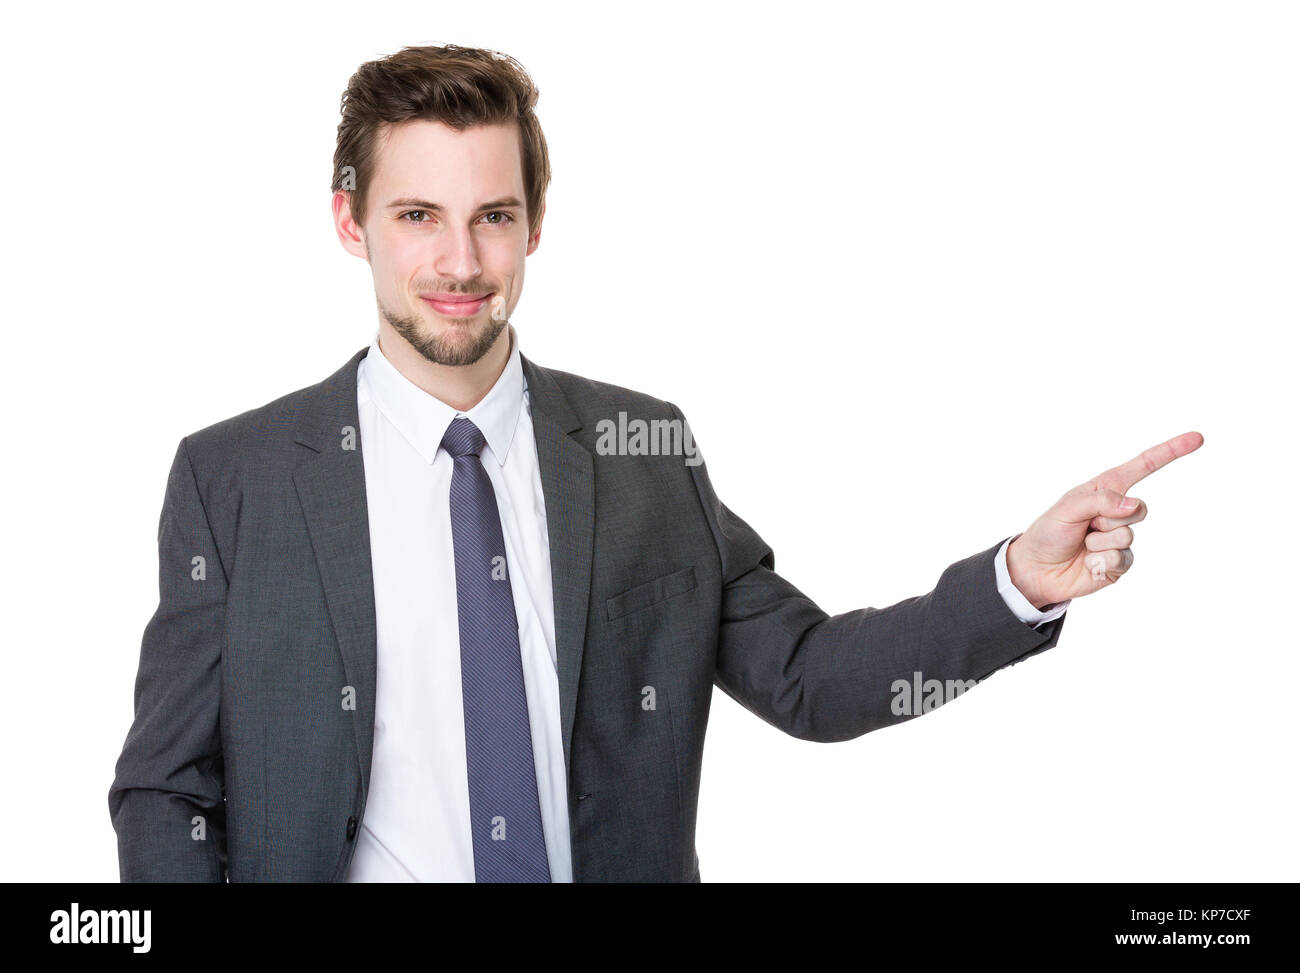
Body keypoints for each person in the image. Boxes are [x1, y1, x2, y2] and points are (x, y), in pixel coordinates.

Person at [107, 43, 1203, 882]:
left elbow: (810, 678)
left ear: (535, 222)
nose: (458, 260)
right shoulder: (236, 477)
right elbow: (165, 782)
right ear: (351, 224)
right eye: (416, 215)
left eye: (492, 215)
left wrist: (1016, 579)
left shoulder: (642, 454)